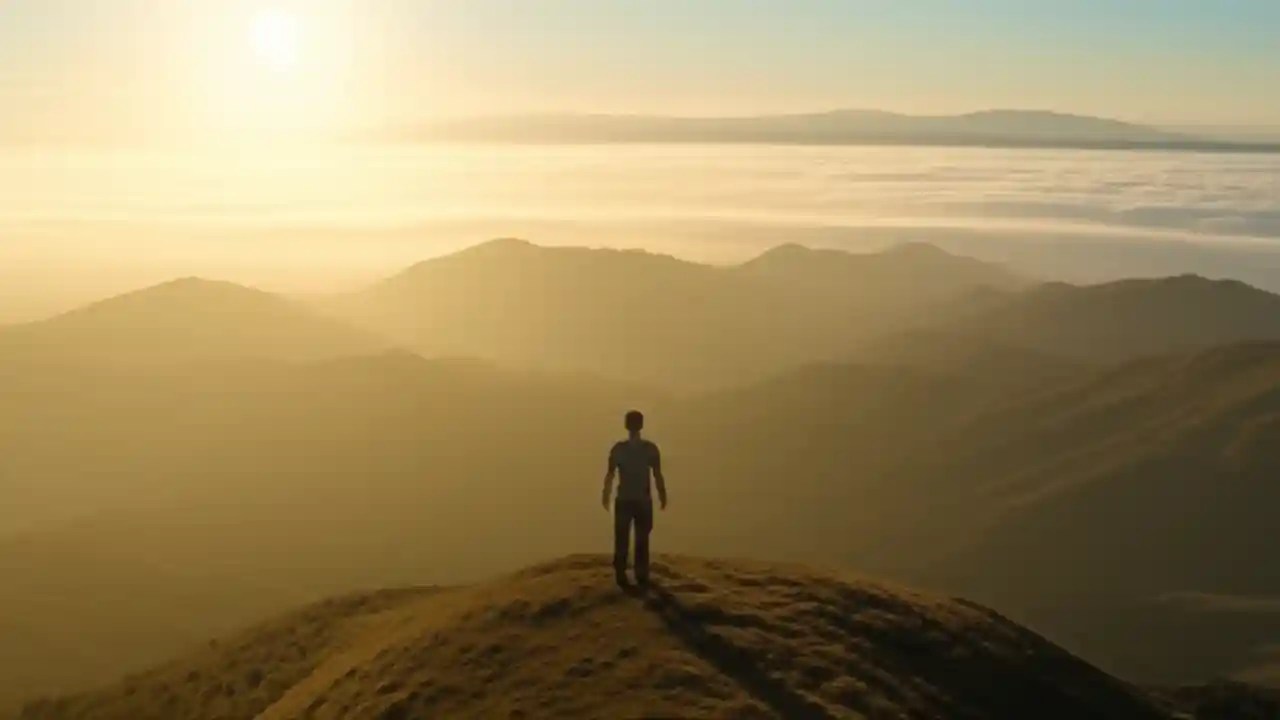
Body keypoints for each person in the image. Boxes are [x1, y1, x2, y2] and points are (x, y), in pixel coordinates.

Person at [602, 410, 666, 588]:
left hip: (624, 499)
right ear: (642, 425)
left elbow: (610, 475)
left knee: (622, 537)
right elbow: (657, 475)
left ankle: (621, 571)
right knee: (642, 538)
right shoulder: (650, 449)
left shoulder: (618, 449)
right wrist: (662, 494)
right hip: (643, 500)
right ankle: (641, 573)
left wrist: (605, 494)